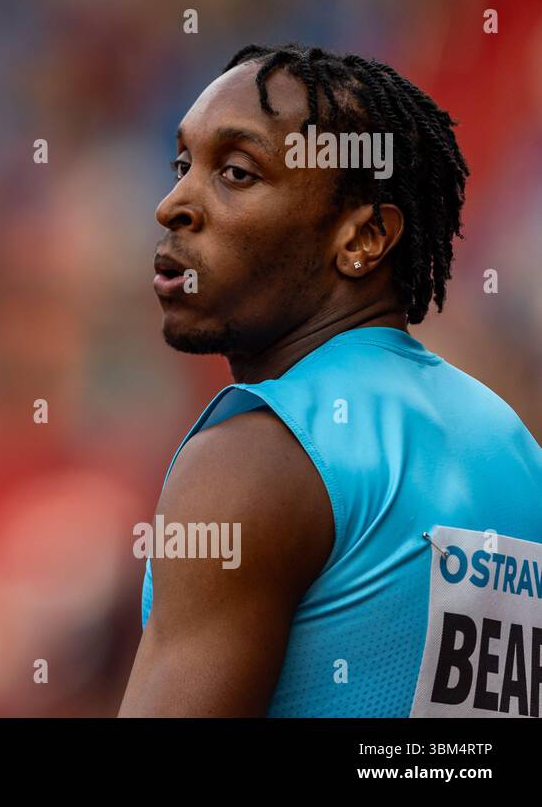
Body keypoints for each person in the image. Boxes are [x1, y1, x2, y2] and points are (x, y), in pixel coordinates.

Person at [121, 43, 542, 717]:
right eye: (182, 166)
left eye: (235, 172)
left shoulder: (255, 460)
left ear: (363, 238)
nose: (173, 204)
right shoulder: (518, 450)